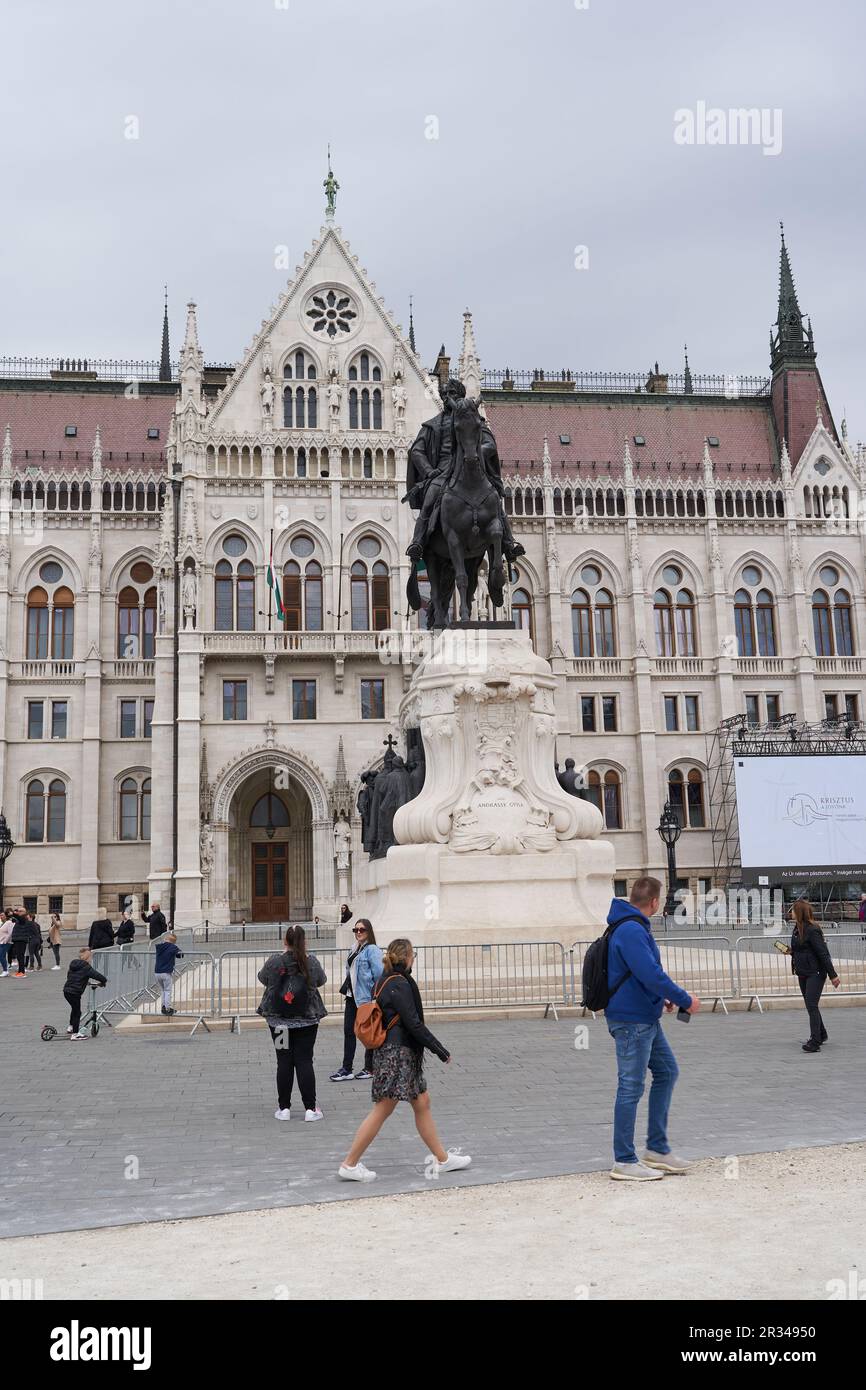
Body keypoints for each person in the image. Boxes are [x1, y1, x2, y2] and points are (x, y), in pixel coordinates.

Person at [338, 937, 471, 1183]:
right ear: (407, 957)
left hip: (395, 1053)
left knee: (422, 1102)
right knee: (383, 1108)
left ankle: (442, 1159)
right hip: (397, 1054)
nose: (413, 960)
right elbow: (413, 1023)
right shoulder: (399, 983)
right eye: (413, 956)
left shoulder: (385, 980)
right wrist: (440, 1050)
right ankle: (350, 1163)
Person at [604, 876, 700, 1182]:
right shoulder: (632, 929)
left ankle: (657, 1149)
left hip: (643, 1016)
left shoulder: (628, 925)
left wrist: (661, 998)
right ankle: (624, 1160)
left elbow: (641, 974)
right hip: (632, 1020)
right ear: (655, 902)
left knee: (667, 1071)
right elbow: (650, 973)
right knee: (630, 1087)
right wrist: (683, 998)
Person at [257, 925, 327, 1122]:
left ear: (285, 941)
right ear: (304, 941)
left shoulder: (275, 961)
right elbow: (321, 980)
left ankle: (284, 1108)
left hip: (279, 1021)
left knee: (284, 1061)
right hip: (307, 1021)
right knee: (305, 1061)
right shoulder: (311, 961)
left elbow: (263, 978)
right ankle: (310, 1109)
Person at [781, 900, 841, 1052]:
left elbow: (823, 953)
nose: (791, 913)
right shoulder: (797, 928)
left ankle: (815, 1041)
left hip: (816, 972)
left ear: (799, 912)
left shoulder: (812, 929)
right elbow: (802, 949)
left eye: (793, 910)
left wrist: (833, 975)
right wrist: (790, 951)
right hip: (803, 971)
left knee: (812, 1005)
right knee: (810, 1005)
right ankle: (822, 1033)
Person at [330, 918, 383, 1082]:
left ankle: (370, 1067)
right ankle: (347, 1068)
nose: (358, 932)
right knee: (349, 1032)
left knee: (368, 1032)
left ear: (369, 931)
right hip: (351, 996)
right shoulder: (354, 948)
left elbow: (379, 974)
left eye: (362, 930)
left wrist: (375, 995)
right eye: (356, 930)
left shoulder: (372, 950)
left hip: (365, 997)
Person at [63, 948, 108, 1040]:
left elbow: (71, 977)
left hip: (67, 990)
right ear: (88, 958)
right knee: (77, 1012)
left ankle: (71, 1027)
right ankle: (75, 1034)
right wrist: (103, 982)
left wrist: (84, 981)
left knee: (74, 1009)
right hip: (75, 992)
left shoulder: (73, 964)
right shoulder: (86, 967)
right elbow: (99, 977)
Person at [154, 931, 183, 1015]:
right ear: (173, 942)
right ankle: (167, 1008)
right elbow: (181, 955)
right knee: (168, 991)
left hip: (157, 972)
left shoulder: (159, 946)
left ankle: (163, 1007)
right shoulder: (173, 947)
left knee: (163, 990)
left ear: (165, 939)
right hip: (166, 972)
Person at [9, 909, 31, 977]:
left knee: (20, 956)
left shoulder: (23, 918)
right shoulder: (20, 919)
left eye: (20, 911)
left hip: (21, 940)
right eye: (18, 911)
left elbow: (17, 917)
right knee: (19, 956)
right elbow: (15, 919)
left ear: (24, 912)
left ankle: (22, 972)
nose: (18, 912)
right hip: (18, 939)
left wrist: (13, 913)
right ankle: (20, 971)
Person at [0, 911, 13, 976]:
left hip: (6, 942)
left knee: (1, 956)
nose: (1, 916)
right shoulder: (2, 923)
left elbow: (10, 933)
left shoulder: (9, 922)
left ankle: (5, 971)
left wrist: (5, 941)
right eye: (0, 915)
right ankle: (6, 969)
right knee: (2, 956)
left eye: (2, 915)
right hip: (1, 942)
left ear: (6, 916)